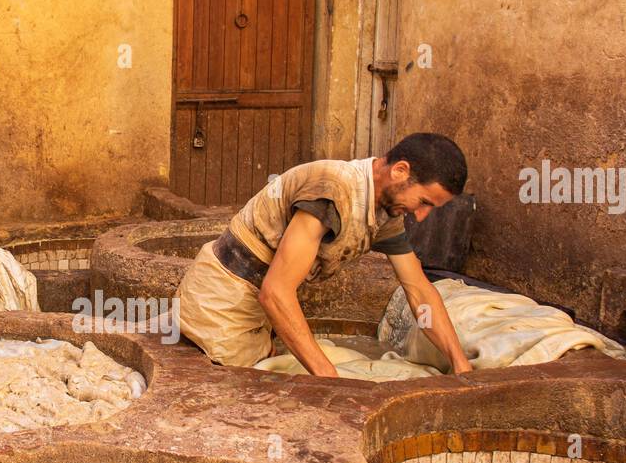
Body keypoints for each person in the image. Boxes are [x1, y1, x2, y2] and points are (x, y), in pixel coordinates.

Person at [175, 132, 473, 377]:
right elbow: (276, 292)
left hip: (254, 309)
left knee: (276, 369)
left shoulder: (384, 211)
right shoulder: (332, 190)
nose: (420, 217)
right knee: (242, 388)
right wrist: (329, 380)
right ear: (400, 171)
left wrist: (460, 364)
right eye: (423, 202)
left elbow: (419, 290)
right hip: (221, 301)